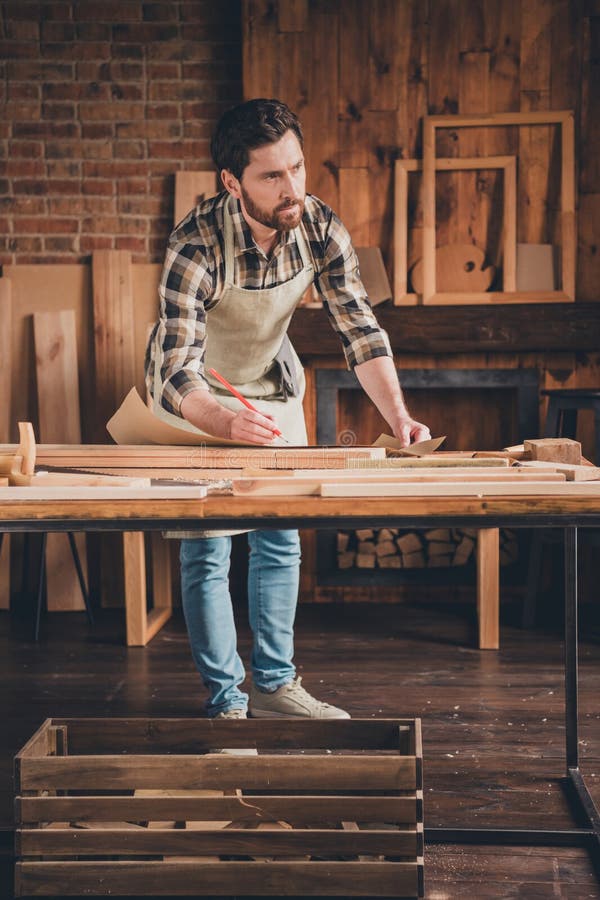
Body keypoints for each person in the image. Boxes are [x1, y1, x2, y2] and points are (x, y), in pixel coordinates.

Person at [146, 98, 430, 721]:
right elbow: (175, 369)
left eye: (297, 168)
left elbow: (359, 327)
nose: (291, 187)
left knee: (279, 535)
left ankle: (275, 688)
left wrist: (396, 416)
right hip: (195, 398)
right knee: (209, 546)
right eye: (272, 176)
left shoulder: (320, 227)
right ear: (231, 181)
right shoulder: (194, 245)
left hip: (270, 384)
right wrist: (221, 421)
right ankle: (227, 703)